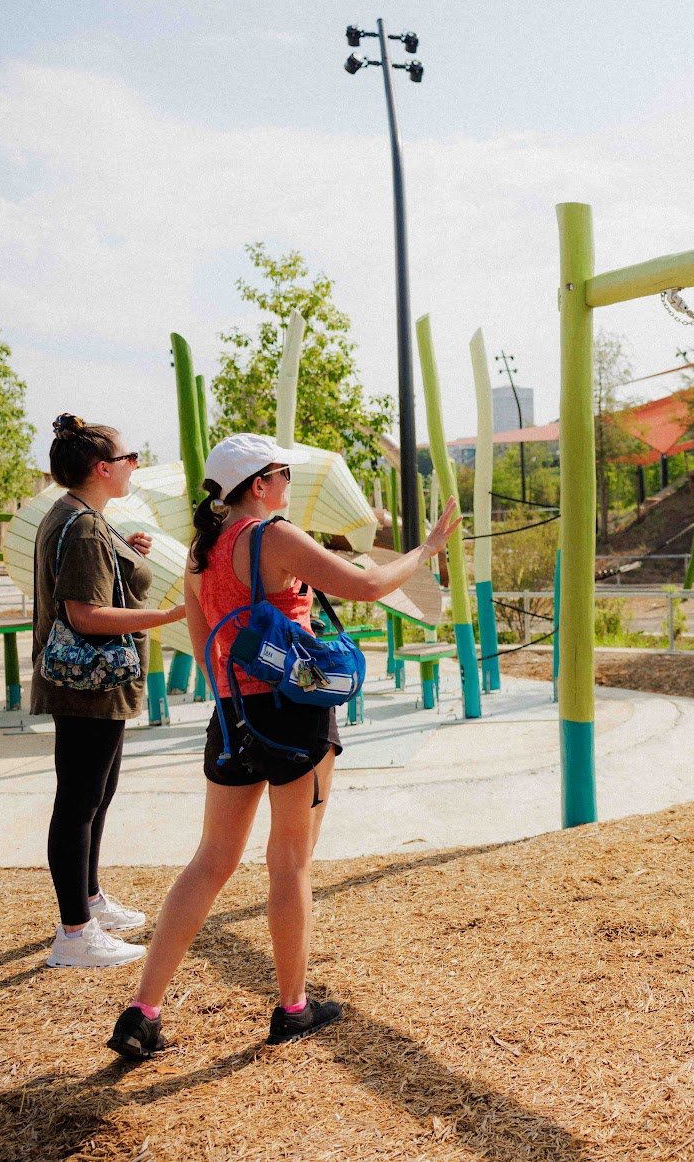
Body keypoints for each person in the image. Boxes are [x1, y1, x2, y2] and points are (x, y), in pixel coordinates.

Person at [108, 433, 462, 1058]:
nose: (289, 484)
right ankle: (293, 1007)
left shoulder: (202, 549)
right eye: (284, 475)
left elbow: (204, 641)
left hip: (234, 714)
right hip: (293, 711)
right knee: (289, 861)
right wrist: (428, 548)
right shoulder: (271, 536)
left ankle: (143, 1010)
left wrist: (235, 709)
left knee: (210, 861)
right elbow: (371, 585)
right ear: (262, 482)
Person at [34, 414, 186, 969]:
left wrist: (125, 550)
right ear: (103, 468)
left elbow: (88, 584)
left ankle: (89, 902)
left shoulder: (77, 516)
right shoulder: (84, 527)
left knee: (93, 796)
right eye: (129, 458)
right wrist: (166, 614)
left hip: (93, 686)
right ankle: (75, 932)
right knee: (78, 802)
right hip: (88, 685)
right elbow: (85, 613)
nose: (135, 465)